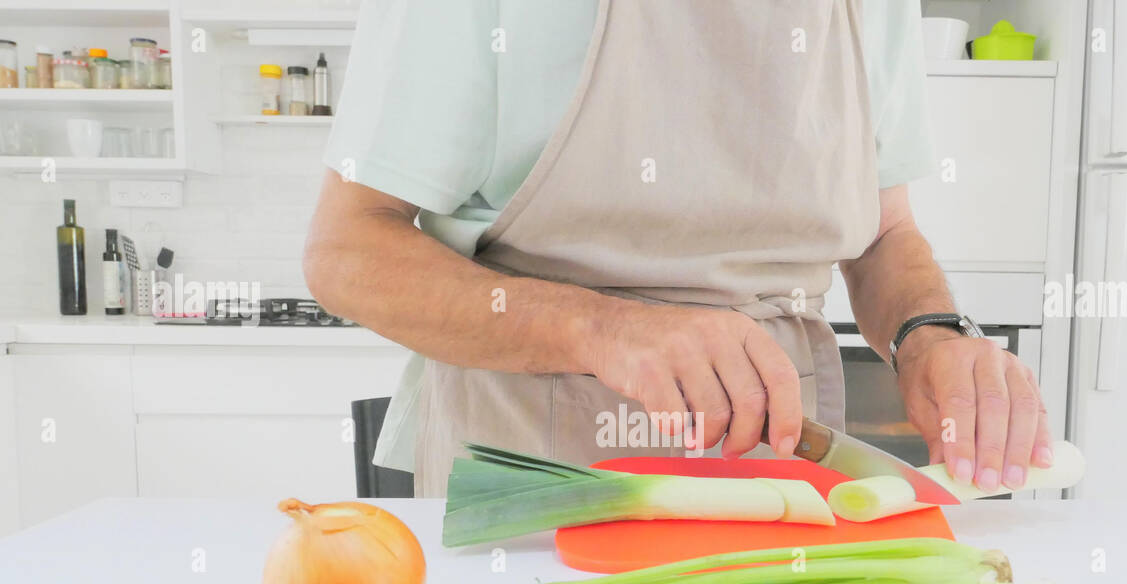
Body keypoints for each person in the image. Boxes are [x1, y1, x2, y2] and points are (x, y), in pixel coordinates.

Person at [305, 0, 1053, 496]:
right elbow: (348, 250)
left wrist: (928, 335)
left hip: (788, 475)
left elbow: (884, 232)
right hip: (541, 473)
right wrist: (605, 329)